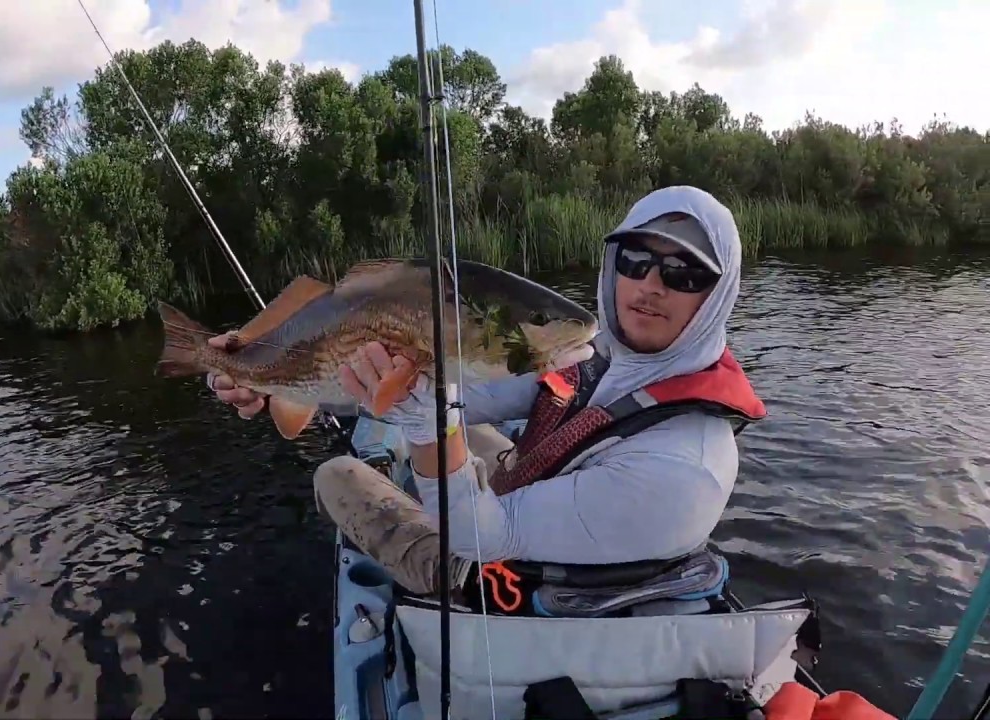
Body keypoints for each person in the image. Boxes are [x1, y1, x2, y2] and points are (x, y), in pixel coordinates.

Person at [205, 185, 766, 599]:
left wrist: (427, 427)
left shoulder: (687, 467)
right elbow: (468, 396)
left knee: (336, 474)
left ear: (719, 296)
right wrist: (266, 372)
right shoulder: (608, 362)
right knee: (443, 419)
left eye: (685, 273)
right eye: (636, 260)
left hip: (502, 579)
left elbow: (478, 536)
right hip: (533, 507)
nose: (650, 285)